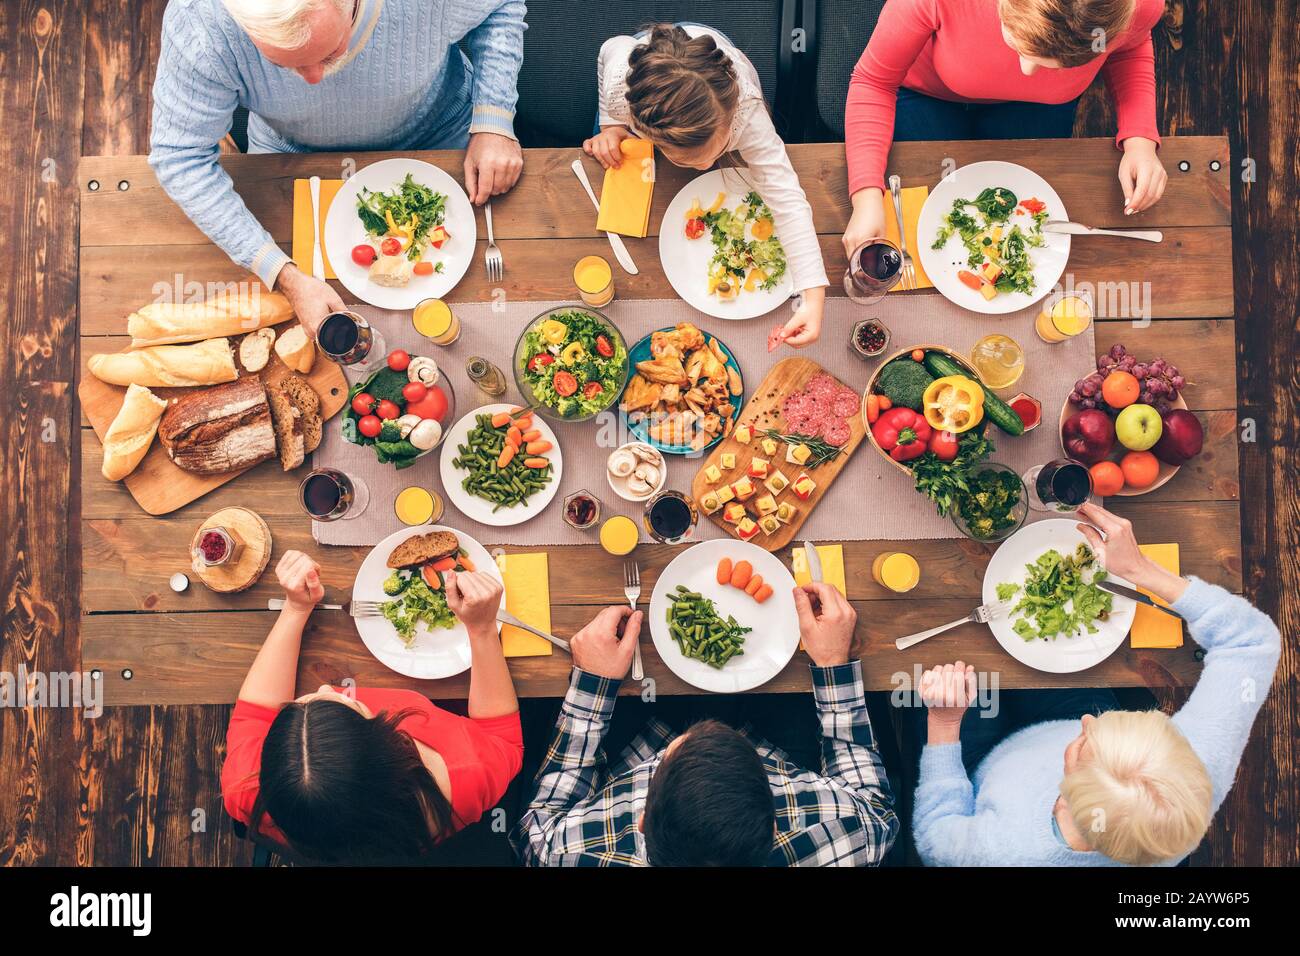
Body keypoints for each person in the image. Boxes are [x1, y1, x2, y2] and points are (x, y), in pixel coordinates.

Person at [911, 503, 1280, 866]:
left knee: (928, 672)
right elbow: (1250, 642)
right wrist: (1142, 570)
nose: (1088, 720)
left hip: (978, 766)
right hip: (1051, 718)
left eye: (1083, 744)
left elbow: (934, 836)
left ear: (1064, 800)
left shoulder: (1004, 852)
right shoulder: (1193, 770)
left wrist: (944, 725)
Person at [149, 0, 527, 336]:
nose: (314, 79)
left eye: (330, 53)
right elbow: (180, 157)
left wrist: (493, 118)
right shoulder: (201, 21)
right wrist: (282, 274)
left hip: (440, 130)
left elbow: (502, 6)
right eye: (285, 65)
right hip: (293, 154)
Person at [514, 584, 898, 866]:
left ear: (643, 820)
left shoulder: (566, 852)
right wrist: (832, 663)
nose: (700, 727)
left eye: (675, 751)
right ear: (775, 815)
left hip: (628, 753)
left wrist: (592, 686)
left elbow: (540, 825)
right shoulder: (851, 835)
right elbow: (876, 807)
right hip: (776, 738)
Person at [221, 551, 523, 863]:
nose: (325, 687)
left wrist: (296, 608)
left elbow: (256, 711)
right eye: (347, 704)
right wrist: (483, 629)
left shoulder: (244, 788)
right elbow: (503, 738)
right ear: (391, 742)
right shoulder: (467, 776)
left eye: (296, 705)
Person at [841, 0, 1169, 258]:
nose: (1026, 72)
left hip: (1038, 109)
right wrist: (867, 199)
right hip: (928, 94)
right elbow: (873, 82)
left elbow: (1129, 50)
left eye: (1050, 63)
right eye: (1017, 43)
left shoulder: (1140, 7)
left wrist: (1139, 139)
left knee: (1020, 221)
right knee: (927, 218)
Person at [584, 24, 830, 348]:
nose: (704, 166)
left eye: (721, 148)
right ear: (649, 132)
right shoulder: (620, 86)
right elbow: (610, 45)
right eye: (688, 162)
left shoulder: (749, 111)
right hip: (646, 93)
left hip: (715, 70)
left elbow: (786, 197)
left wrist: (813, 295)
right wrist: (611, 125)